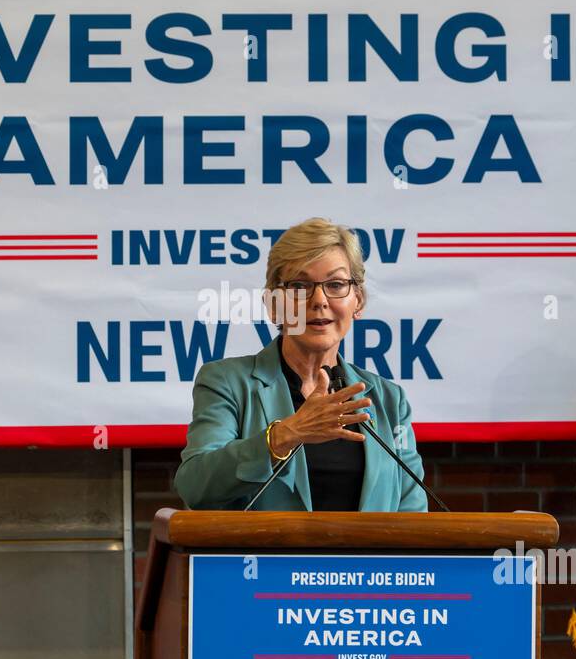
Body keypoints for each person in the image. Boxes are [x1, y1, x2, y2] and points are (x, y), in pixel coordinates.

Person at [174, 217, 428, 512]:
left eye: (335, 284)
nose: (319, 300)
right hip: (263, 559)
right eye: (299, 286)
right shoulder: (228, 382)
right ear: (273, 304)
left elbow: (413, 513)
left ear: (358, 301)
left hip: (367, 561)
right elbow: (195, 486)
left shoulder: (389, 400)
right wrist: (285, 435)